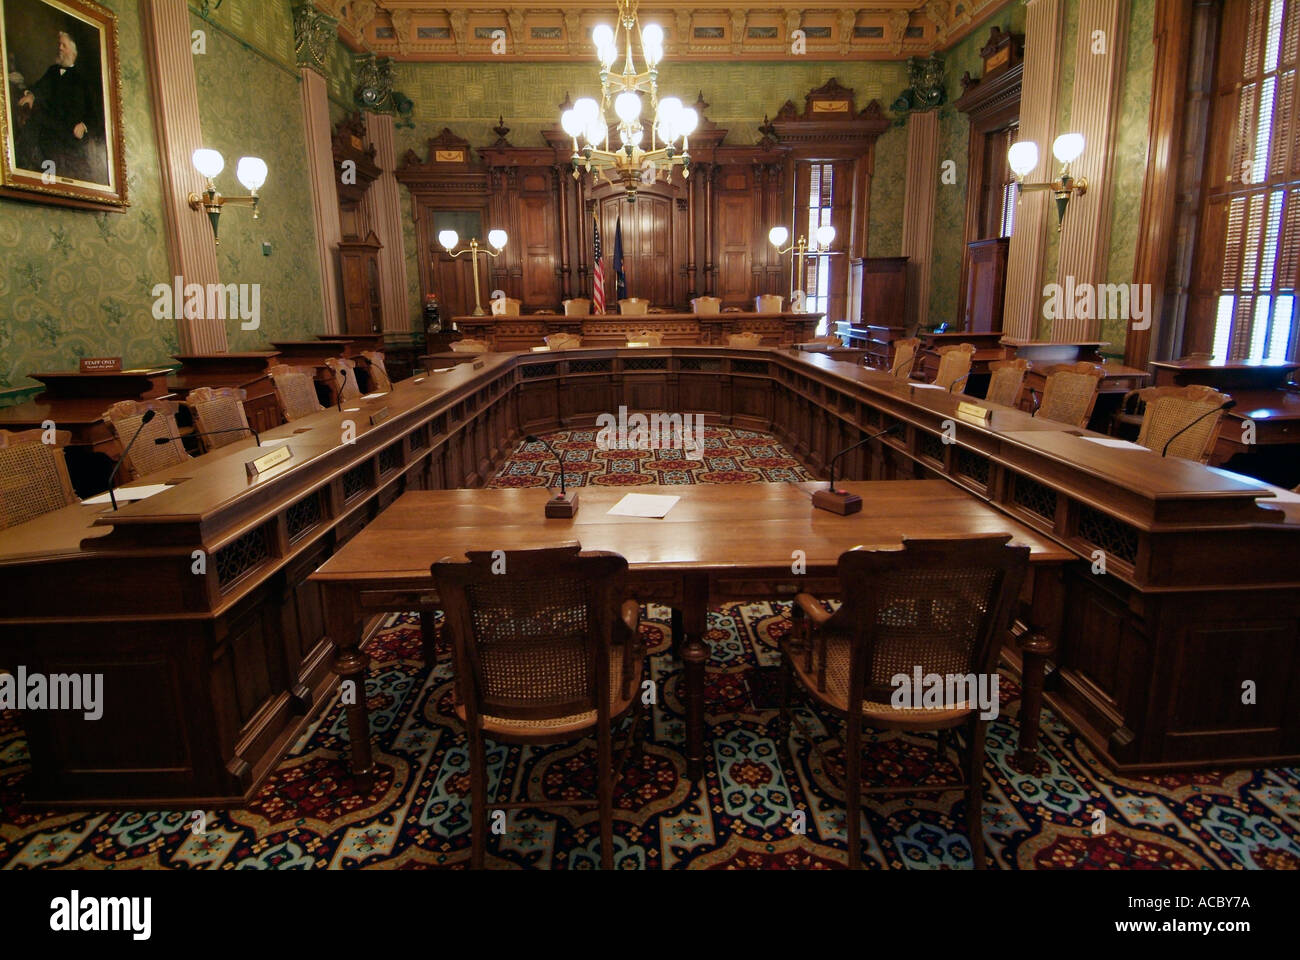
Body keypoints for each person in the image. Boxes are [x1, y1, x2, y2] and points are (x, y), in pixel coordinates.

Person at [16, 31, 97, 181]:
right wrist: (31, 95)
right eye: (59, 44)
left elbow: (93, 112)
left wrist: (83, 125)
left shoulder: (82, 80)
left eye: (63, 45)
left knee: (64, 166)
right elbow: (39, 87)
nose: (59, 48)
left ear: (73, 52)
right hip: (48, 127)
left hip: (69, 133)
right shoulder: (52, 71)